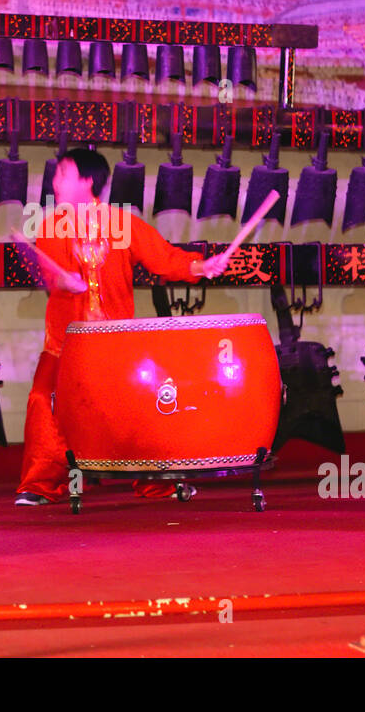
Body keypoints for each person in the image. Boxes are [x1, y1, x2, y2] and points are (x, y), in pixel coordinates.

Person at [14, 148, 231, 506]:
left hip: (116, 342)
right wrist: (62, 280)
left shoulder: (123, 223)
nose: (55, 180)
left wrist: (201, 267)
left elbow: (164, 258)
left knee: (145, 402)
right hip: (66, 344)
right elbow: (51, 271)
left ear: (87, 181)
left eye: (63, 173)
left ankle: (155, 484)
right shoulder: (51, 225)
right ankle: (40, 485)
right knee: (42, 399)